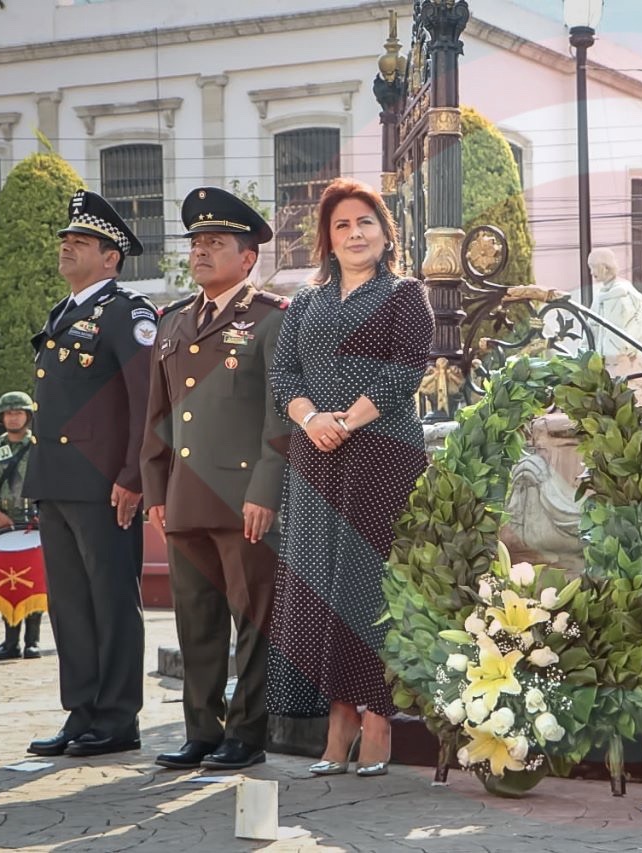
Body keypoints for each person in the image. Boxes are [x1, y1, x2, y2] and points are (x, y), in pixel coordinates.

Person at [266, 177, 432, 777]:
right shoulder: (305, 304)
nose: (355, 233)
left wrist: (347, 419)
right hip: (315, 459)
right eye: (342, 225)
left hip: (382, 455)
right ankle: (337, 721)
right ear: (327, 241)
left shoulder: (404, 295)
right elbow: (283, 376)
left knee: (368, 588)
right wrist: (313, 421)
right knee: (321, 591)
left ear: (386, 233)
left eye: (366, 222)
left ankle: (379, 720)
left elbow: (406, 369)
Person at [142, 186, 289, 771]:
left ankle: (247, 733)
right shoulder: (173, 322)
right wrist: (156, 490)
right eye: (197, 243)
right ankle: (201, 729)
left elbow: (280, 415)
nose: (201, 252)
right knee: (195, 620)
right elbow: (156, 415)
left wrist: (265, 491)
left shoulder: (272, 319)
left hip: (243, 496)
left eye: (216, 243)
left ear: (247, 256)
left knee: (252, 618)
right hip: (184, 497)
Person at [24, 189, 156, 758]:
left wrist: (132, 476)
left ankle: (117, 717)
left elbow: (146, 397)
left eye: (81, 241)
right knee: (70, 604)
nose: (67, 247)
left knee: (110, 599)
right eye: (66, 239)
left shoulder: (128, 312)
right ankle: (80, 712)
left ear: (112, 256)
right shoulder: (64, 312)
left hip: (104, 485)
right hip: (56, 481)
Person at [0, 391, 45, 661]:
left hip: (35, 525)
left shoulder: (40, 447)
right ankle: (10, 642)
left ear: (28, 415)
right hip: (3, 526)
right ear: (1, 417)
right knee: (6, 583)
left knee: (34, 582)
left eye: (19, 412)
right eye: (9, 413)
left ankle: (32, 642)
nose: (14, 417)